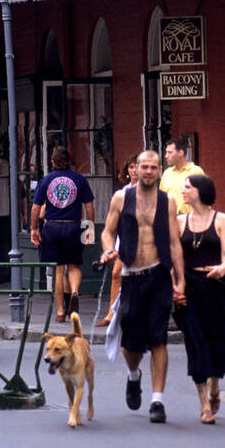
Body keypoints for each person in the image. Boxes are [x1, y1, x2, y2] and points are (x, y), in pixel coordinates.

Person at [100, 149, 185, 423]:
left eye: (153, 167)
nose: (148, 171)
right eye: (144, 166)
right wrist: (108, 250)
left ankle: (157, 400)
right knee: (131, 343)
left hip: (158, 274)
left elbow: (174, 242)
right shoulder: (121, 198)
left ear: (160, 170)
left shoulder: (168, 202)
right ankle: (134, 375)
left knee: (159, 338)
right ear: (135, 168)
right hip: (131, 275)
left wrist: (179, 278)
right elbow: (107, 232)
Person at [174, 173, 225, 424]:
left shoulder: (221, 220)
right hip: (190, 287)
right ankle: (204, 403)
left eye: (187, 188)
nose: (184, 191)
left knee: (217, 340)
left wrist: (222, 268)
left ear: (200, 191)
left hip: (215, 284)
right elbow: (173, 258)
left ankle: (215, 385)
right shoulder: (178, 221)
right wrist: (176, 286)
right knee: (195, 342)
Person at [30, 145, 95, 322]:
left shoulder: (46, 180)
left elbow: (36, 207)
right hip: (73, 226)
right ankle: (74, 292)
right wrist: (89, 227)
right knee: (74, 266)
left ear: (52, 162)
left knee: (58, 270)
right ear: (69, 161)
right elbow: (88, 205)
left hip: (52, 227)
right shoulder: (79, 179)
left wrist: (33, 228)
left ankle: (60, 312)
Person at [97, 154, 139, 328]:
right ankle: (111, 313)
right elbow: (110, 227)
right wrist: (110, 248)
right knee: (116, 274)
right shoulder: (121, 194)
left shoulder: (155, 194)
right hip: (125, 241)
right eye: (131, 167)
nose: (135, 170)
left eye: (138, 166)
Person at [159, 137, 204, 216]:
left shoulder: (196, 171)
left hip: (191, 220)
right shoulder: (167, 173)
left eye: (170, 152)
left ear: (180, 153)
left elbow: (205, 198)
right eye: (166, 152)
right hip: (170, 220)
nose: (166, 156)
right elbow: (161, 200)